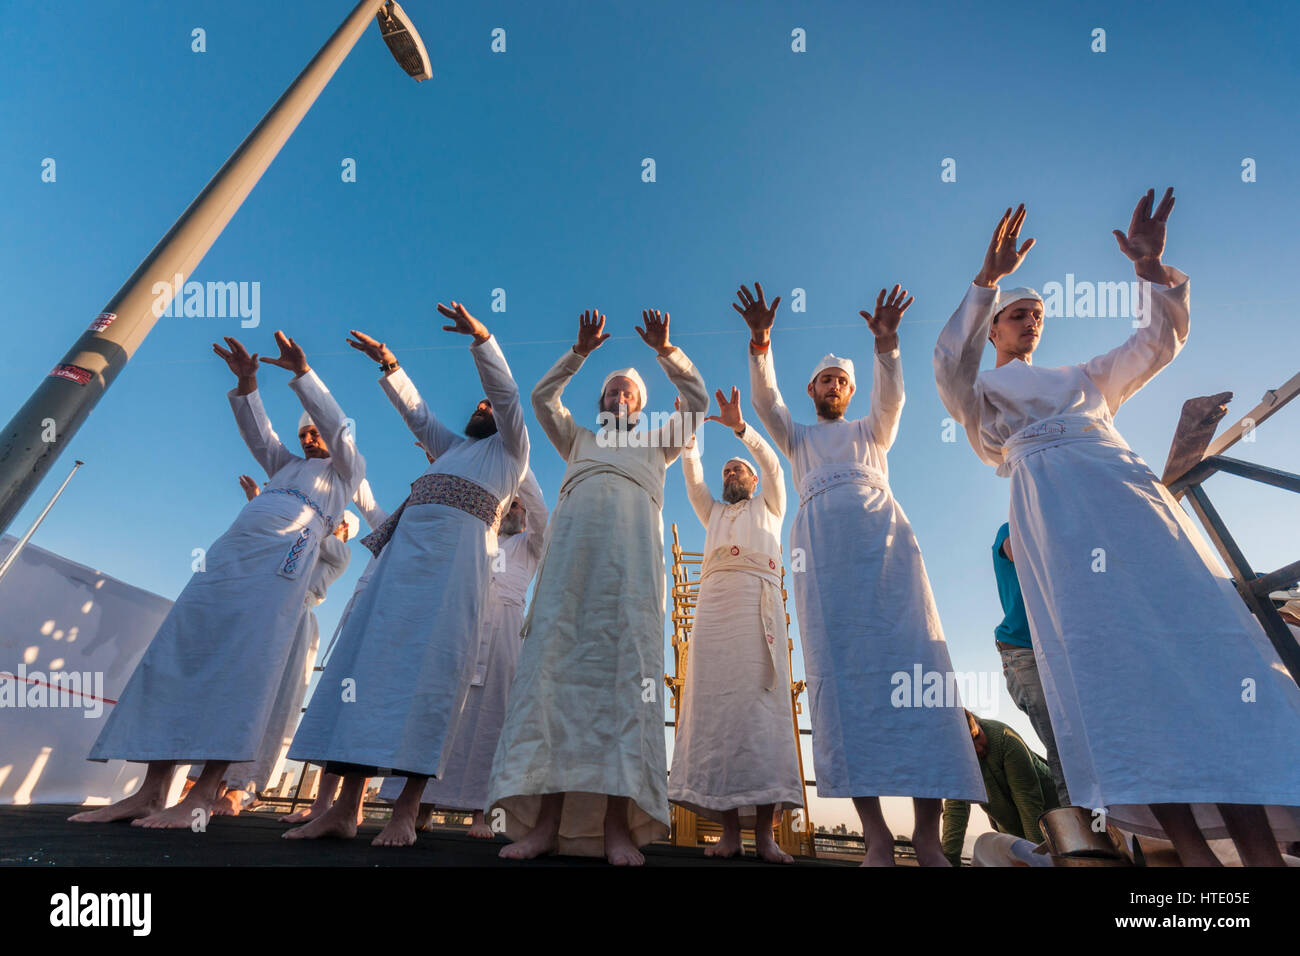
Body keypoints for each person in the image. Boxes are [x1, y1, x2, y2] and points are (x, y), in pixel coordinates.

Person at [934, 190, 1300, 865]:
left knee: (1200, 651)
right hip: (1056, 521)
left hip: (1126, 499)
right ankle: (1188, 857)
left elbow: (1157, 342)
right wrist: (984, 281)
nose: (1029, 321)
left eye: (1036, 313)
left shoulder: (1084, 378)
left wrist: (1152, 269)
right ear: (992, 327)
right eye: (1016, 314)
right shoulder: (982, 396)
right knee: (1114, 673)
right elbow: (948, 369)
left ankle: (1261, 855)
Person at [72, 332, 364, 828]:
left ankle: (205, 793)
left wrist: (302, 376)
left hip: (283, 567)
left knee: (243, 663)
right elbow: (259, 435)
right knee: (186, 647)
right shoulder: (283, 465)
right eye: (305, 432)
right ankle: (152, 790)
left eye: (317, 430)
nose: (310, 436)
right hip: (232, 555)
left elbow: (338, 428)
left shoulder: (345, 475)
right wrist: (249, 383)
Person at [737, 281, 985, 867]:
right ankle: (874, 833)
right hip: (825, 565)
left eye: (844, 382)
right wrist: (760, 342)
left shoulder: (873, 433)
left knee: (917, 672)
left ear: (852, 391)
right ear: (813, 389)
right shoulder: (797, 439)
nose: (835, 388)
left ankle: (926, 835)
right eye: (827, 380)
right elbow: (766, 403)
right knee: (843, 686)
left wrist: (887, 346)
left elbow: (892, 399)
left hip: (887, 553)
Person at [286, 302, 528, 848]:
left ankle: (407, 811)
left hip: (456, 577)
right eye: (479, 403)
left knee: (432, 683)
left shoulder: (511, 452)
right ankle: (345, 809)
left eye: (489, 403)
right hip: (401, 569)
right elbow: (418, 417)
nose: (483, 405)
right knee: (368, 673)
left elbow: (510, 396)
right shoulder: (451, 450)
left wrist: (482, 340)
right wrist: (391, 365)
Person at [487, 308, 708, 865]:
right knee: (556, 683)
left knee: (623, 690)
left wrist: (666, 351)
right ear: (600, 402)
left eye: (628, 393)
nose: (618, 399)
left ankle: (618, 828)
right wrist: (580, 353)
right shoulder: (577, 439)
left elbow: (699, 404)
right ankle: (545, 826)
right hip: (570, 576)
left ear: (641, 404)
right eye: (611, 392)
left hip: (630, 582)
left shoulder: (660, 443)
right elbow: (541, 400)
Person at [667, 386, 803, 863]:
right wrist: (688, 437)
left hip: (757, 611)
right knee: (718, 717)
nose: (731, 474)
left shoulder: (771, 505)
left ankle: (765, 835)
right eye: (726, 470)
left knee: (760, 717)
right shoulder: (714, 514)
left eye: (737, 469)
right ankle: (728, 833)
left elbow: (773, 466)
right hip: (715, 614)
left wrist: (742, 429)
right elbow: (692, 478)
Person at [386, 468, 549, 837]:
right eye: (511, 505)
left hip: (505, 629)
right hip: (463, 618)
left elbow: (541, 511)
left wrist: (519, 469)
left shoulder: (532, 544)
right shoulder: (484, 536)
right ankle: (419, 805)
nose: (515, 511)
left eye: (520, 506)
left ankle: (481, 813)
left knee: (490, 719)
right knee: (442, 711)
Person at [990, 522, 1068, 805]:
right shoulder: (1010, 528)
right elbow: (1015, 550)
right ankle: (1084, 836)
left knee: (1085, 743)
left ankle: (1111, 829)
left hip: (1060, 650)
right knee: (1062, 746)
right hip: (1024, 655)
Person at [941, 712, 1061, 866]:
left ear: (977, 722)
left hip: (1051, 818)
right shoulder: (958, 764)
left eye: (977, 737)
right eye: (970, 748)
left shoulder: (1005, 738)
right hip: (1012, 830)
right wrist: (949, 861)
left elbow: (1029, 804)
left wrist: (1036, 859)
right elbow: (955, 814)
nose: (978, 748)